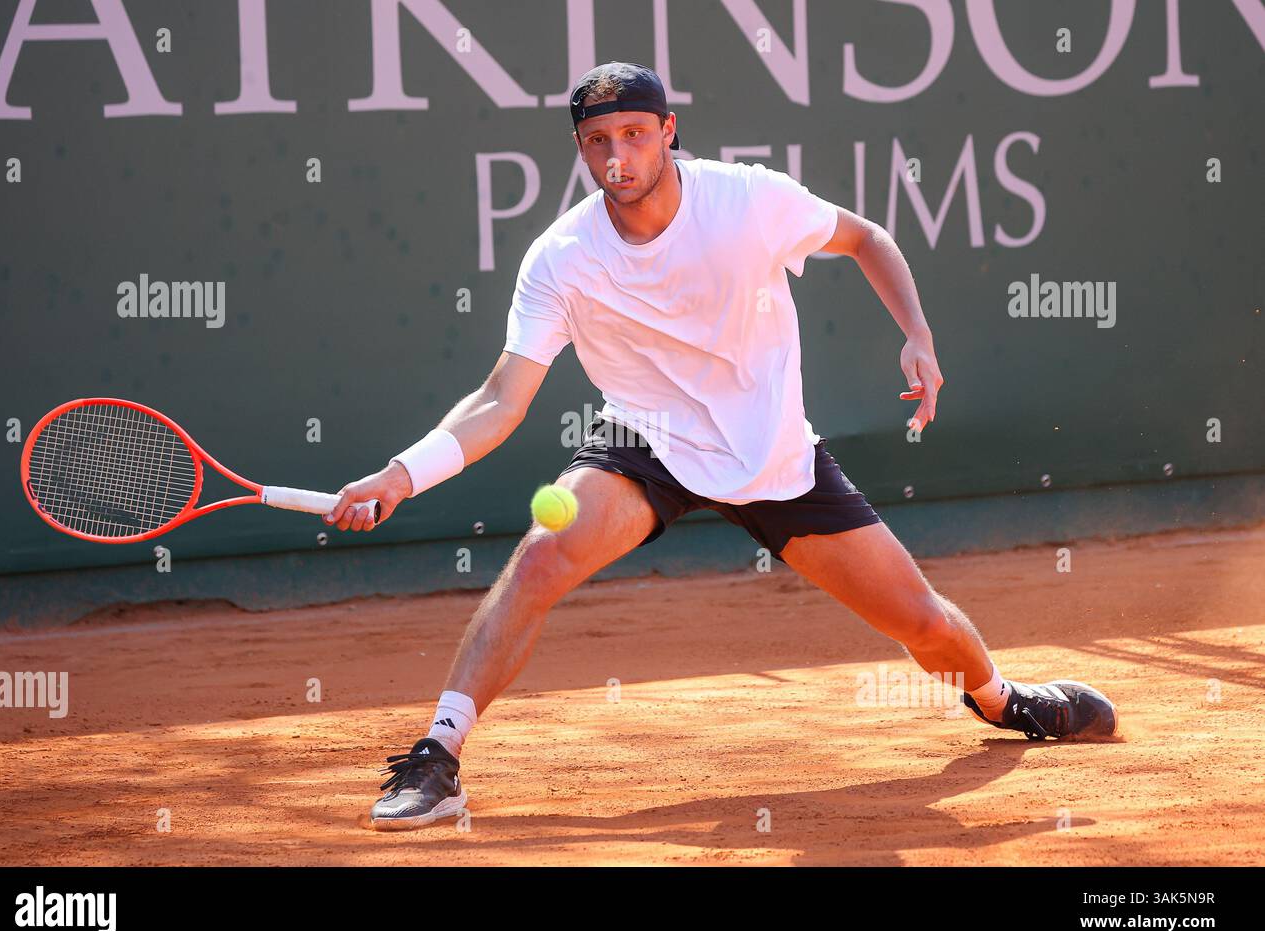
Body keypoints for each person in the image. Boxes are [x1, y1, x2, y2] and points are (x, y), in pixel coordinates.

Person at [324, 62, 1118, 831]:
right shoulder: (561, 259)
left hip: (771, 453)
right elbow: (501, 400)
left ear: (669, 132)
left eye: (635, 134)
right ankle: (437, 757)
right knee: (540, 557)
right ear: (580, 149)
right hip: (647, 442)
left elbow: (867, 237)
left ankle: (1000, 697)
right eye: (598, 141)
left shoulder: (748, 200)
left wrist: (917, 334)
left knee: (921, 622)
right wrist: (402, 475)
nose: (617, 156)